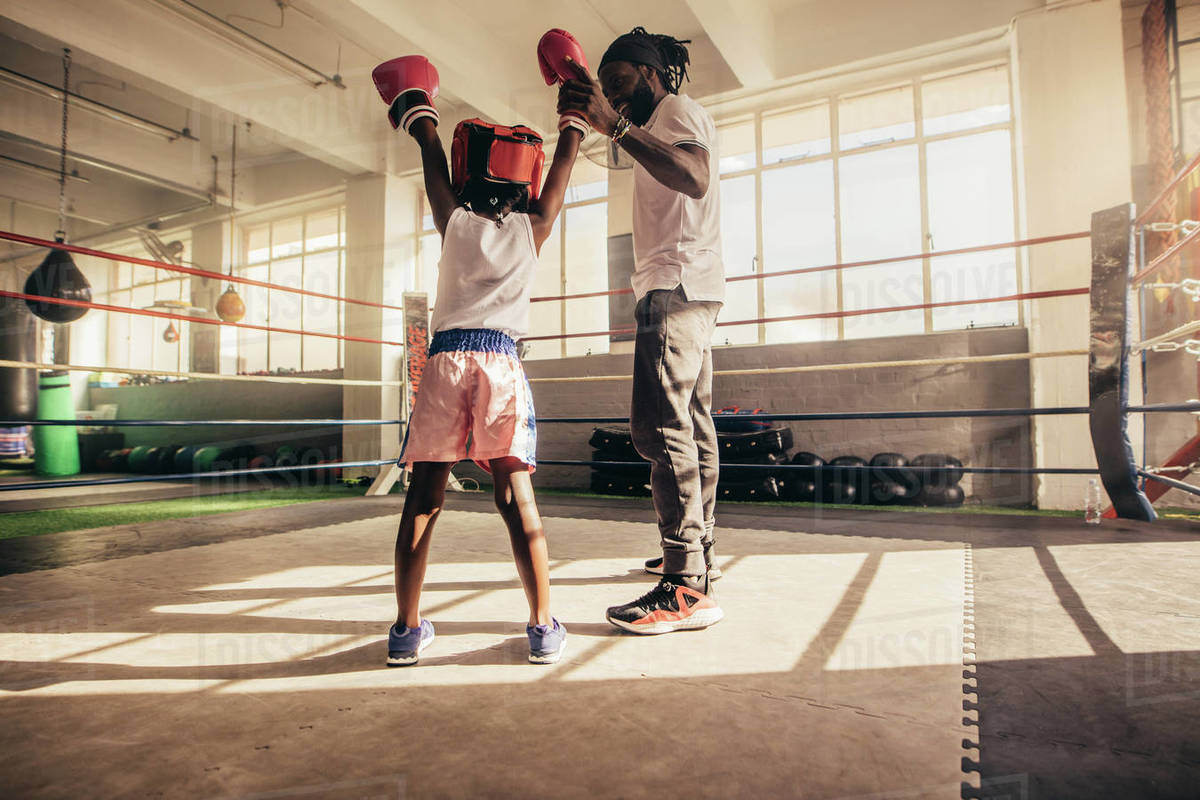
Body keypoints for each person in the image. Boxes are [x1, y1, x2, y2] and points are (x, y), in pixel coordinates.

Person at [371, 37, 586, 664]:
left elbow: (433, 157)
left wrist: (421, 112)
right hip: (500, 364)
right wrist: (572, 95)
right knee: (515, 499)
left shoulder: (455, 223)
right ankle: (543, 627)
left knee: (423, 498)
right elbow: (568, 155)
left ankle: (406, 633)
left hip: (444, 361)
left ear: (471, 183)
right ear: (524, 186)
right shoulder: (534, 226)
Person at [558, 28, 725, 634]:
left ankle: (684, 585)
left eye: (623, 83)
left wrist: (617, 125)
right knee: (692, 424)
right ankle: (698, 555)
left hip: (676, 287)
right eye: (609, 90)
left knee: (658, 425)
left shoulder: (678, 111)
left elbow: (695, 177)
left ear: (653, 75)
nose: (617, 98)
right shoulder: (656, 123)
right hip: (690, 285)